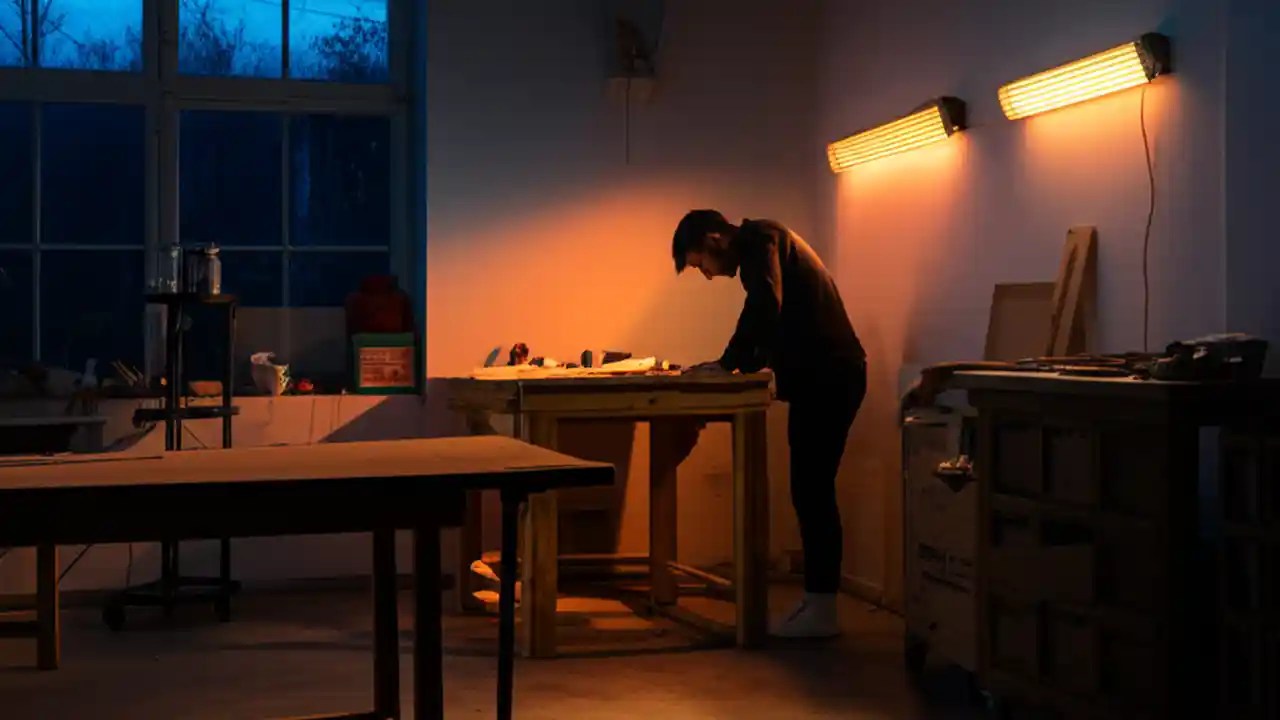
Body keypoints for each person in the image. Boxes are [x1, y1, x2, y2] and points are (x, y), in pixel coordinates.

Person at [672, 209, 867, 639]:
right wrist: (734, 363)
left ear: (715, 238)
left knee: (812, 490)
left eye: (701, 264)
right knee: (810, 490)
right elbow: (770, 315)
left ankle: (822, 609)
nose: (707, 275)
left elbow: (764, 305)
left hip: (831, 377)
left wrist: (727, 364)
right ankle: (819, 602)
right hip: (826, 377)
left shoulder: (763, 239)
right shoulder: (763, 247)